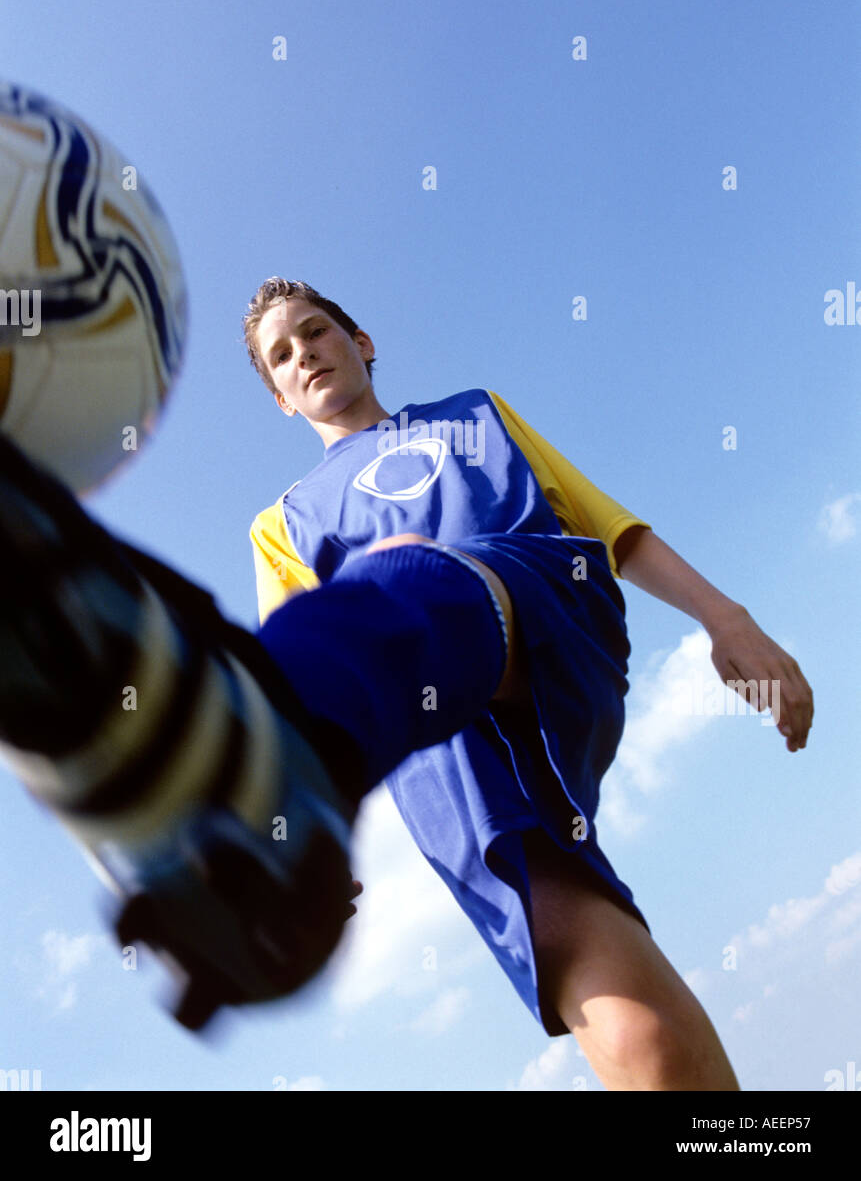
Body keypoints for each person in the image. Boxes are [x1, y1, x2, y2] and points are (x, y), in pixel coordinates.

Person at [241, 277, 813, 1091]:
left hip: (547, 617)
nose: (306, 354)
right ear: (280, 399)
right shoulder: (283, 522)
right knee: (636, 1030)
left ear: (361, 341)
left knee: (401, 569)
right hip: (447, 746)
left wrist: (727, 620)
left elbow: (608, 526)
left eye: (317, 331)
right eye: (282, 355)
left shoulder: (477, 416)